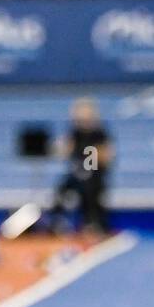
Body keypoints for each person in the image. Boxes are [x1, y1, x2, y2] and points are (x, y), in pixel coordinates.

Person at [51, 98, 114, 235]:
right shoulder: (74, 133)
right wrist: (61, 148)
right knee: (62, 189)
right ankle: (58, 221)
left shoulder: (99, 133)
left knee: (89, 188)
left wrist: (91, 158)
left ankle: (92, 223)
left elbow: (106, 157)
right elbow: (64, 151)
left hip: (95, 176)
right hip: (77, 174)